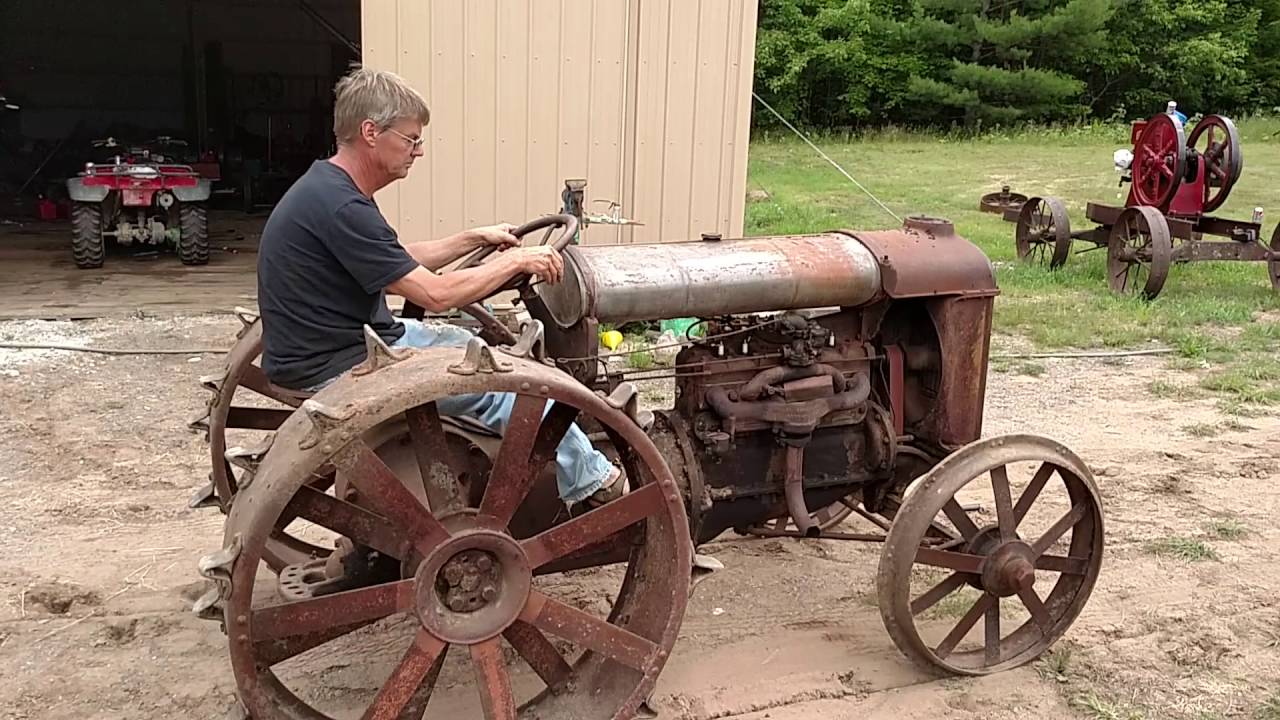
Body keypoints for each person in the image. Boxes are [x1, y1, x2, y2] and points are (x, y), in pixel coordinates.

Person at [255, 66, 622, 510]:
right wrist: (517, 260)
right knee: (514, 384)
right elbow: (436, 294)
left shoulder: (328, 189)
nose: (419, 151)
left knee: (468, 345)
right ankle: (593, 479)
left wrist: (473, 238)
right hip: (342, 365)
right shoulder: (341, 206)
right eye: (412, 139)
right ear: (371, 132)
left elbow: (396, 258)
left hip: (337, 349)